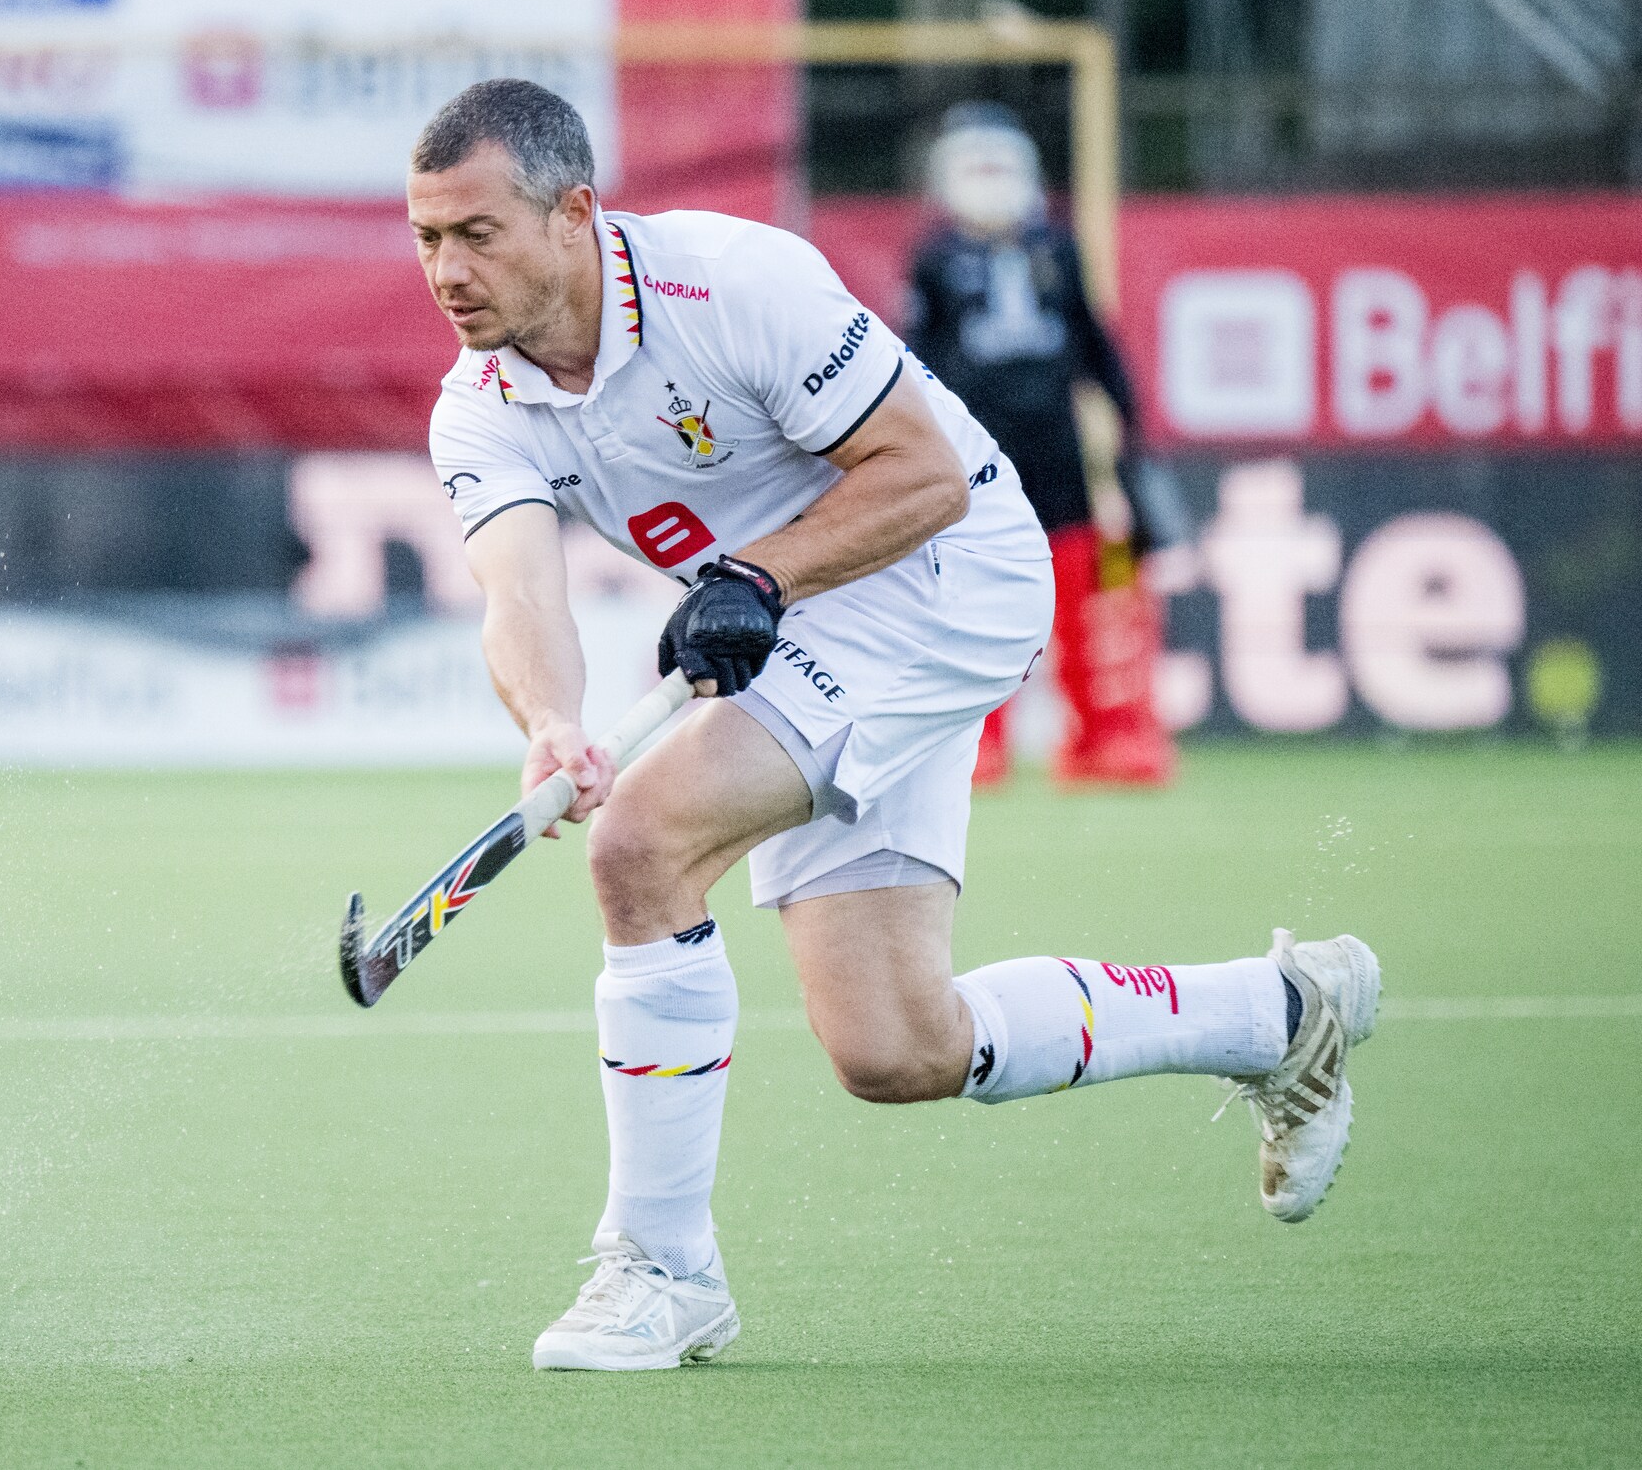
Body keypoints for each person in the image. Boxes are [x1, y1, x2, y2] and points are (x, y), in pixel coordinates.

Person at [410, 79, 1377, 1373]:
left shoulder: (734, 283)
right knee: (895, 1044)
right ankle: (1277, 1012)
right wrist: (552, 726)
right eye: (426, 238)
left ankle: (660, 1267)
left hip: (947, 575)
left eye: (477, 234)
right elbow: (516, 593)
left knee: (640, 847)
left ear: (575, 213)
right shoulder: (478, 404)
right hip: (806, 626)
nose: (447, 271)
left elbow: (922, 474)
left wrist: (755, 578)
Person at [904, 103, 1175, 786]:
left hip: (1059, 456)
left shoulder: (1058, 250)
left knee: (1086, 601)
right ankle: (978, 741)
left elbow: (1093, 338)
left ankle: (1105, 736)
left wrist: (1124, 419)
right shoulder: (936, 260)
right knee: (974, 607)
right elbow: (916, 356)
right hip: (976, 461)